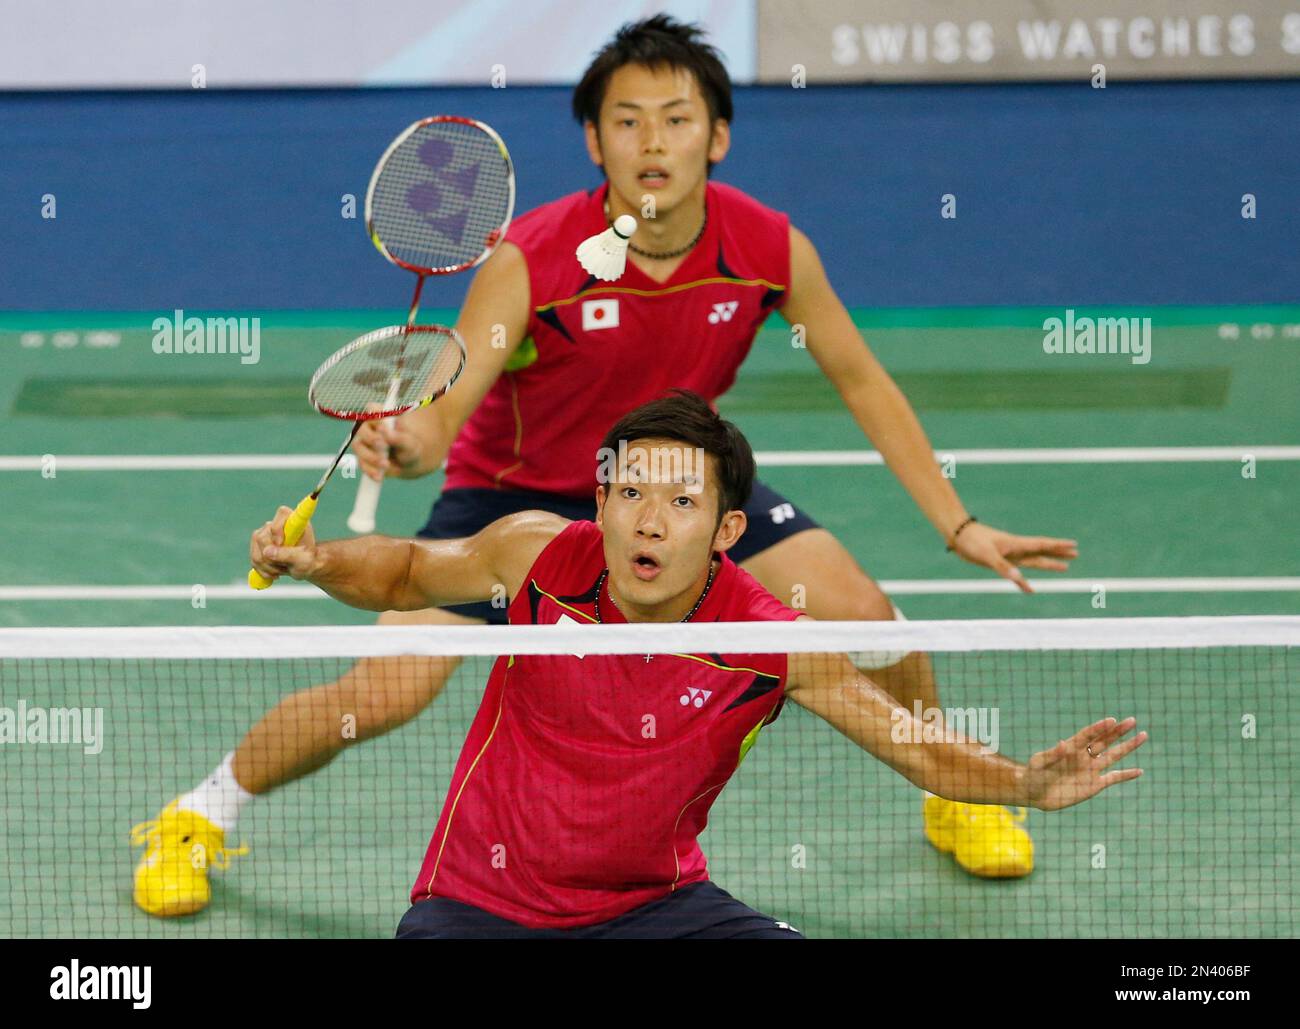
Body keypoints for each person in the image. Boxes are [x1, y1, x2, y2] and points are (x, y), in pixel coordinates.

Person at [131, 15, 1079, 918]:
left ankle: (959, 797)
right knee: (381, 693)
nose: (651, 141)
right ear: (593, 139)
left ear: (718, 137)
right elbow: (444, 410)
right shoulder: (533, 259)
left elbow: (864, 381)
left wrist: (957, 523)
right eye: (626, 121)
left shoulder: (766, 248)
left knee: (868, 616)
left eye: (677, 119)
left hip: (671, 490)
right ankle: (197, 815)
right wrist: (405, 440)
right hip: (515, 496)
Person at [246, 393, 1143, 939]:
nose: (646, 518)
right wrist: (321, 562)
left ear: (725, 531)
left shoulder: (770, 640)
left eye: (679, 501)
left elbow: (913, 743)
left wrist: (1020, 782)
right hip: (480, 905)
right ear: (599, 499)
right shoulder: (536, 555)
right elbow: (406, 569)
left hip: (655, 910)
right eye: (629, 491)